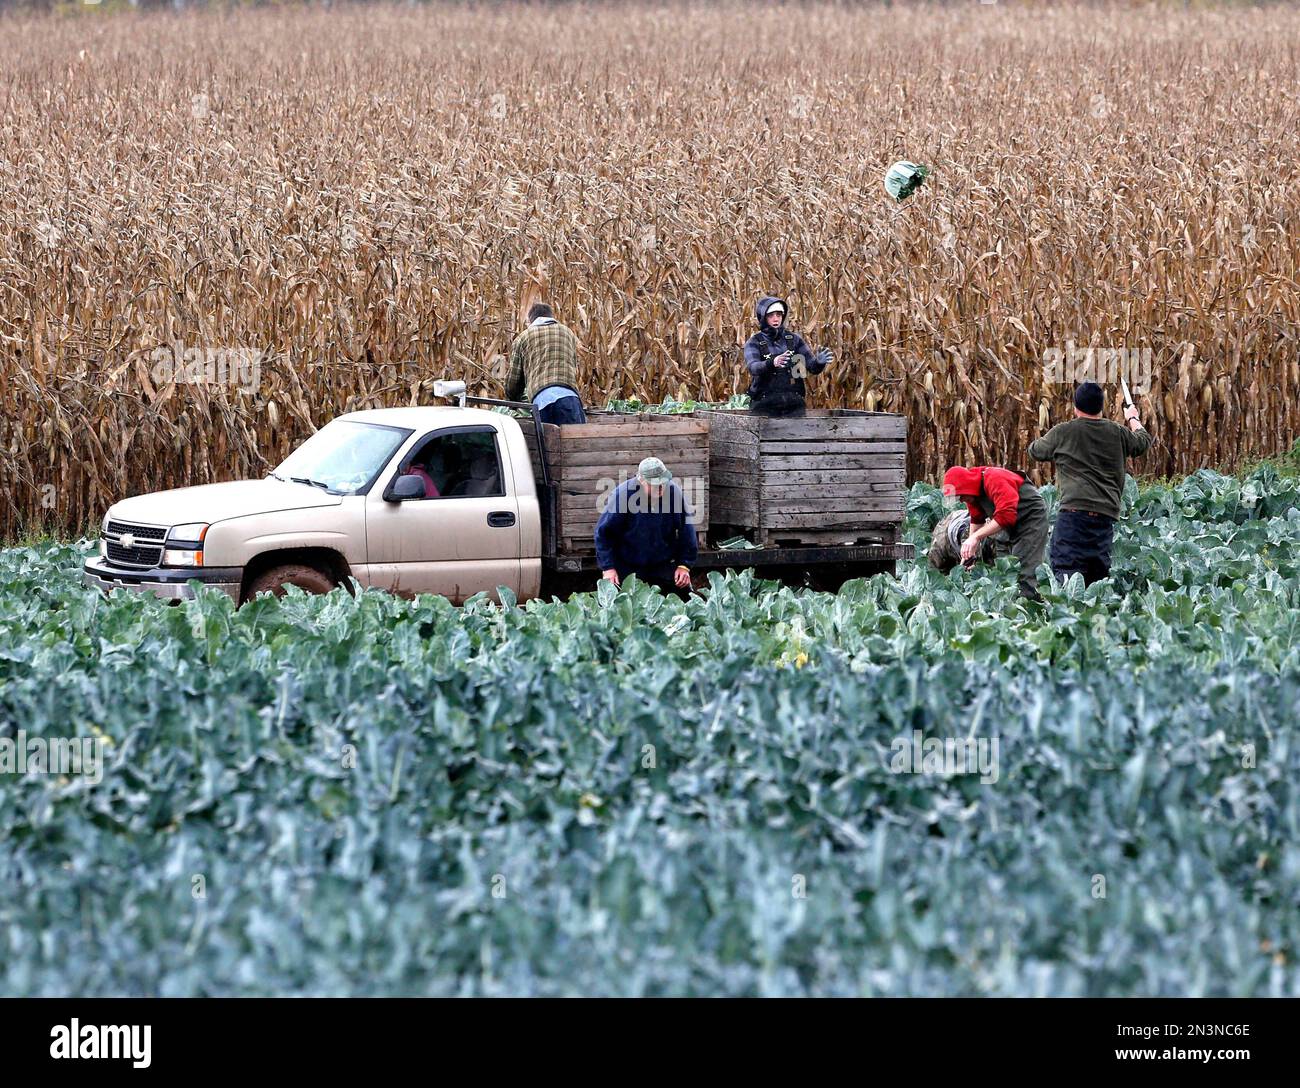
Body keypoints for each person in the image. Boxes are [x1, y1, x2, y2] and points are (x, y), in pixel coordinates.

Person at [1029, 380, 1152, 586]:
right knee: (1097, 581)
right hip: (1104, 520)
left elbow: (1035, 450)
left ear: (1075, 407)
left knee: (1066, 576)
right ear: (1101, 406)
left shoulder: (1063, 432)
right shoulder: (1117, 432)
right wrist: (1133, 418)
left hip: (1073, 517)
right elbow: (1142, 441)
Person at [941, 464, 1049, 601]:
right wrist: (970, 550)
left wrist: (976, 537)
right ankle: (1005, 609)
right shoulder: (972, 494)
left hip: (1030, 520)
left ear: (966, 487)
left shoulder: (994, 479)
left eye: (961, 496)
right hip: (1006, 524)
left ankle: (1028, 608)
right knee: (1003, 569)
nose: (961, 500)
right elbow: (976, 519)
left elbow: (1006, 515)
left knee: (1024, 571)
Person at [594, 457, 698, 595]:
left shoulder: (674, 493)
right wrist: (608, 568)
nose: (661, 487)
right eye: (655, 484)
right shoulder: (623, 495)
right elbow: (603, 534)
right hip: (627, 564)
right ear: (641, 481)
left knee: (683, 603)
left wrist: (684, 565)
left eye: (663, 482)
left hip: (662, 562)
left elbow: (687, 531)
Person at [742, 297, 833, 417]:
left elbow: (812, 368)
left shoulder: (794, 340)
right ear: (763, 318)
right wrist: (772, 363)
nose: (776, 319)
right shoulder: (755, 342)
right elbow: (753, 367)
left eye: (779, 315)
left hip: (794, 406)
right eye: (771, 315)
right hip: (764, 407)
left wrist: (819, 362)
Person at [504, 303, 587, 424]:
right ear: (551, 316)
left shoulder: (523, 338)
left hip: (541, 402)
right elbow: (573, 366)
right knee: (573, 441)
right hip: (569, 398)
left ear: (531, 320)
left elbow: (513, 381)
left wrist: (513, 401)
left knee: (546, 442)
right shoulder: (568, 333)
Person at [928, 508, 994, 573]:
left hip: (965, 522)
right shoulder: (941, 544)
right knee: (937, 569)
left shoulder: (995, 535)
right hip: (946, 532)